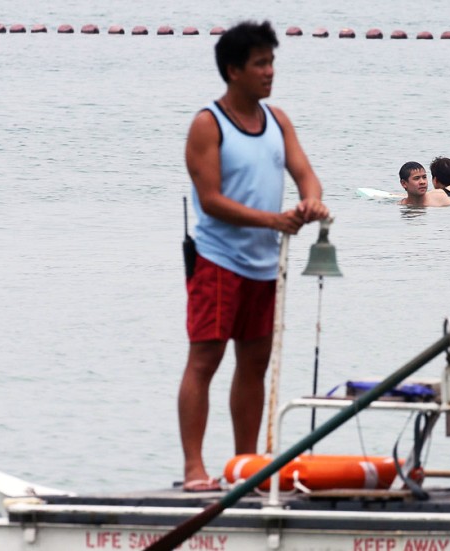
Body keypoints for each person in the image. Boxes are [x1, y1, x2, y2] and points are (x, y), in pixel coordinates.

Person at [179, 20, 330, 492]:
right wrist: (273, 221)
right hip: (217, 261)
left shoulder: (277, 120)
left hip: (265, 267)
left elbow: (306, 175)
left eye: (271, 62)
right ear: (234, 70)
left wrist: (310, 203)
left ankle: (245, 467)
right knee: (205, 360)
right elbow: (211, 201)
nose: (269, 72)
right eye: (260, 64)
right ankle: (194, 470)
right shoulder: (208, 123)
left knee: (254, 365)